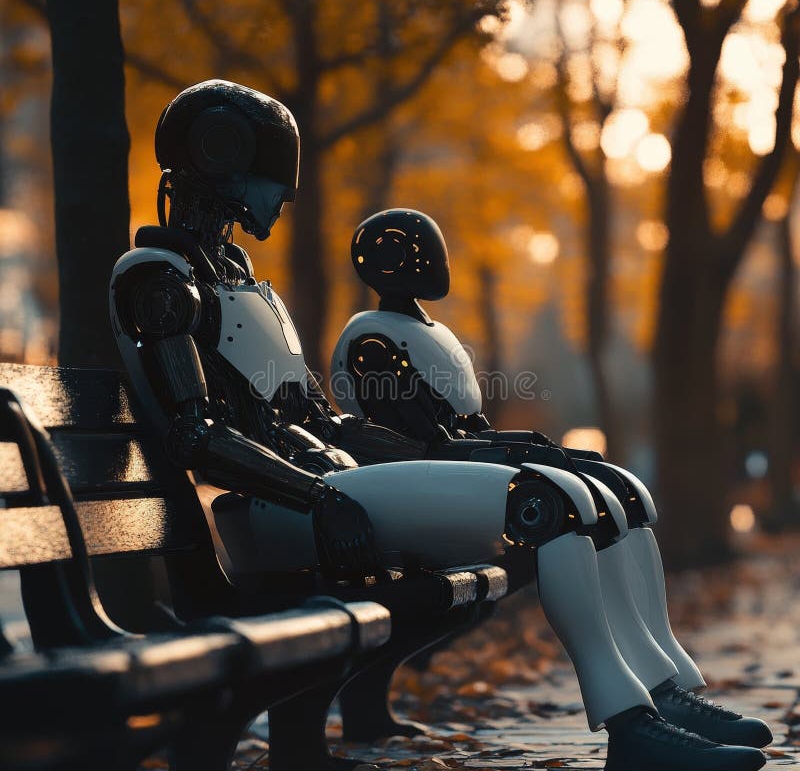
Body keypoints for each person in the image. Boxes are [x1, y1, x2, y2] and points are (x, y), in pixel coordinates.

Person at [109, 80, 767, 771]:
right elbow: (196, 435)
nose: (285, 195)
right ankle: (632, 728)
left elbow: (321, 418)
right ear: (221, 158)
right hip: (282, 513)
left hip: (328, 493)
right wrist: (320, 497)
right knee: (546, 508)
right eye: (272, 175)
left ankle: (662, 697)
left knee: (594, 494)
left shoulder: (234, 279)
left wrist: (469, 458)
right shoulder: (158, 279)